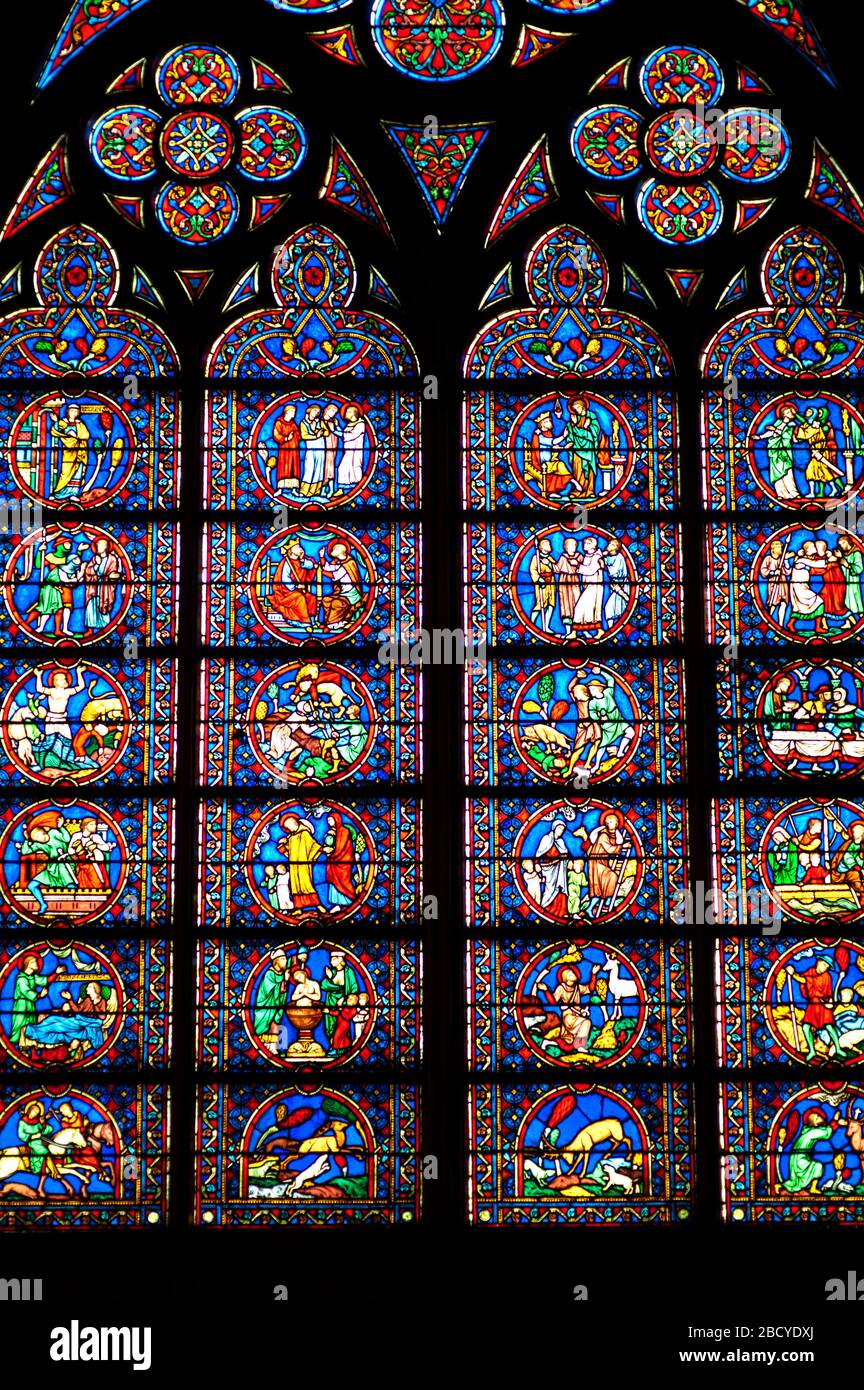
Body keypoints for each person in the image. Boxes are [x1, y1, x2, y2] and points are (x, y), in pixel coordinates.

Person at [275, 813, 322, 912]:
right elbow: (289, 852)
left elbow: (314, 846)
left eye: (289, 827)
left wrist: (313, 856)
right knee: (295, 886)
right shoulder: (291, 838)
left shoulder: (305, 833)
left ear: (295, 824)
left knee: (307, 884)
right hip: (294, 866)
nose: (289, 830)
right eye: (287, 828)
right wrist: (282, 846)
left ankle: (318, 906)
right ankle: (298, 908)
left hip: (303, 865)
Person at [82, 538, 122, 634]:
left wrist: (111, 575)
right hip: (94, 587)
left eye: (100, 545)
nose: (98, 547)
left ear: (106, 547)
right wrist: (96, 565)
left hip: (105, 587)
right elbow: (88, 571)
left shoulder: (112, 559)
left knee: (104, 605)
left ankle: (105, 628)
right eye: (97, 545)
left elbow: (113, 573)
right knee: (91, 606)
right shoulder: (95, 558)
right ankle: (90, 630)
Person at [272, 403, 300, 492]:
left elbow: (299, 436)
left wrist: (295, 435)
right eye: (292, 411)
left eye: (294, 412)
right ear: (287, 412)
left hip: (294, 449)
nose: (294, 413)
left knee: (294, 468)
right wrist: (287, 438)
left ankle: (294, 489)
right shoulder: (279, 422)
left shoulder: (293, 424)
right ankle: (280, 489)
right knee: (283, 468)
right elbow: (276, 435)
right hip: (284, 449)